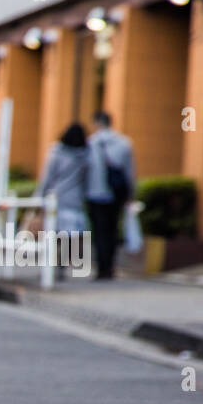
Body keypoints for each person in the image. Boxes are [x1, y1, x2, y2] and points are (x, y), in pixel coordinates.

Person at [85, 110, 136, 281]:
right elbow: (130, 172)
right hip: (116, 194)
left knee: (99, 231)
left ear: (97, 123)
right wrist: (130, 194)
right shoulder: (124, 143)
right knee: (113, 230)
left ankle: (102, 267)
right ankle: (110, 266)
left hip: (95, 193)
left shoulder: (91, 143)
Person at [40, 122, 90, 281]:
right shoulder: (86, 155)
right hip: (75, 200)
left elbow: (47, 177)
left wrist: (39, 197)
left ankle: (53, 264)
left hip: (57, 198)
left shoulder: (56, 152)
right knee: (71, 235)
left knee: (55, 233)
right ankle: (63, 264)